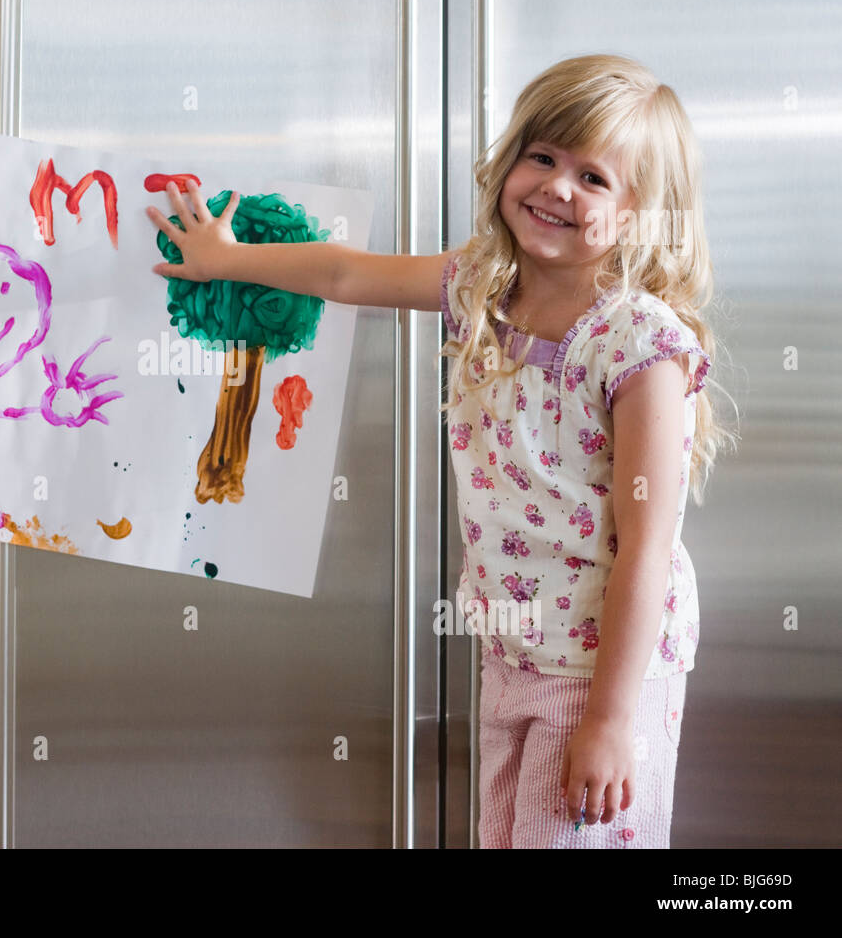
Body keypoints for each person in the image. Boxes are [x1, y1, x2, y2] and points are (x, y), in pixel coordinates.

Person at [147, 53, 735, 848]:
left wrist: (609, 718)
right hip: (513, 651)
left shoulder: (640, 347)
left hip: (599, 673)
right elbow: (346, 272)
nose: (559, 187)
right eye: (543, 157)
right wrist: (226, 260)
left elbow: (647, 552)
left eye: (594, 178)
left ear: (637, 212)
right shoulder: (480, 289)